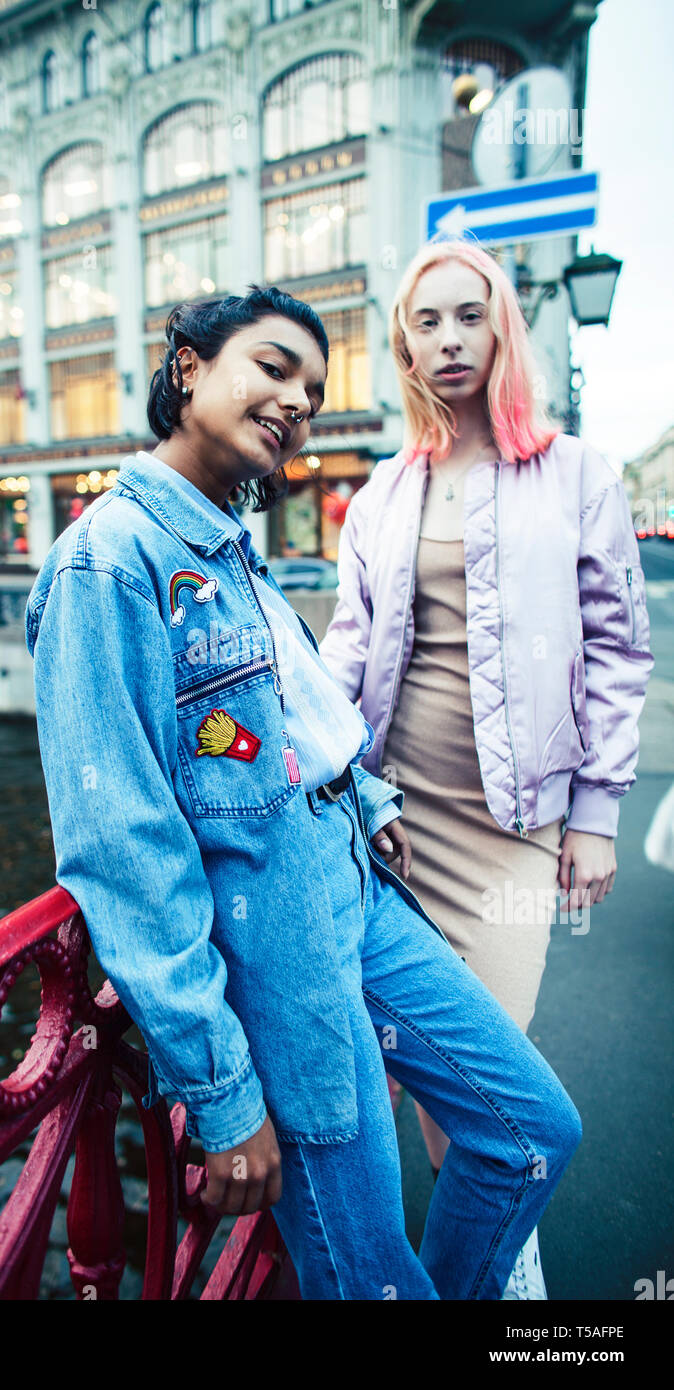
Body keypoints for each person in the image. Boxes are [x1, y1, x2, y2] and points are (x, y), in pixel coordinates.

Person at [25, 283, 582, 1300]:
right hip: (280, 945)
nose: (295, 402)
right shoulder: (107, 564)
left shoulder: (228, 543)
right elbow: (123, 853)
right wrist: (224, 1094)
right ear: (186, 364)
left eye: (313, 392)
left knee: (530, 1131)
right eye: (272, 367)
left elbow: (293, 724)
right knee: (371, 1274)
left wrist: (366, 806)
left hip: (356, 882)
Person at [319, 238, 653, 1298]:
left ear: (501, 326)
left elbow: (617, 648)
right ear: (403, 346)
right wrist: (306, 756)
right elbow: (345, 642)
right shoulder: (380, 491)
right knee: (442, 1089)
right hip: (393, 824)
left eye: (468, 316)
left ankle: (503, 1280)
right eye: (426, 323)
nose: (448, 338)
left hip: (510, 833)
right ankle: (507, 1280)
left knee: (493, 1078)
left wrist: (594, 813)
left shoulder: (575, 472)